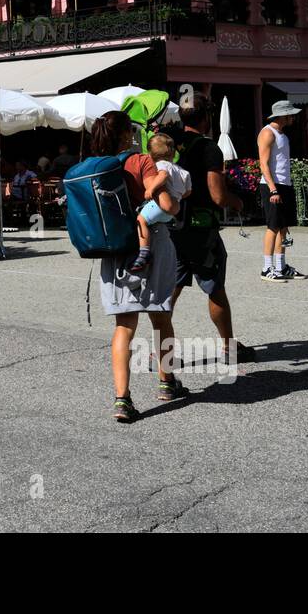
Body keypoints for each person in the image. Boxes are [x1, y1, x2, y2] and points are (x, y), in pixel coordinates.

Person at [91, 111, 188, 422]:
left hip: (113, 250)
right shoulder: (141, 161)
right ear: (127, 135)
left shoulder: (95, 165)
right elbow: (166, 205)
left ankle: (122, 399)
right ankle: (166, 383)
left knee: (124, 327)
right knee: (162, 318)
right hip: (151, 246)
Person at [170, 93, 252, 363]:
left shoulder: (170, 143)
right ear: (206, 117)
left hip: (172, 225)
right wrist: (237, 201)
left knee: (171, 289)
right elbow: (217, 195)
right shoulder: (208, 148)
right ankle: (229, 348)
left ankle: (162, 350)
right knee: (214, 287)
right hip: (201, 228)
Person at [257, 100, 302, 281]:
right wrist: (273, 190)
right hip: (272, 185)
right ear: (283, 115)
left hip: (284, 184)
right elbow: (263, 164)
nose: (293, 117)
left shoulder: (282, 134)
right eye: (291, 114)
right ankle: (267, 268)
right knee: (272, 227)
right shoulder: (268, 133)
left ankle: (281, 266)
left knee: (283, 228)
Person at [129, 133, 187, 274]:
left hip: (160, 206)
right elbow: (188, 191)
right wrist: (177, 197)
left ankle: (144, 253)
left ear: (150, 154)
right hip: (174, 209)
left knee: (141, 220)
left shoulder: (160, 165)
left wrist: (151, 188)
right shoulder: (182, 171)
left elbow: (163, 176)